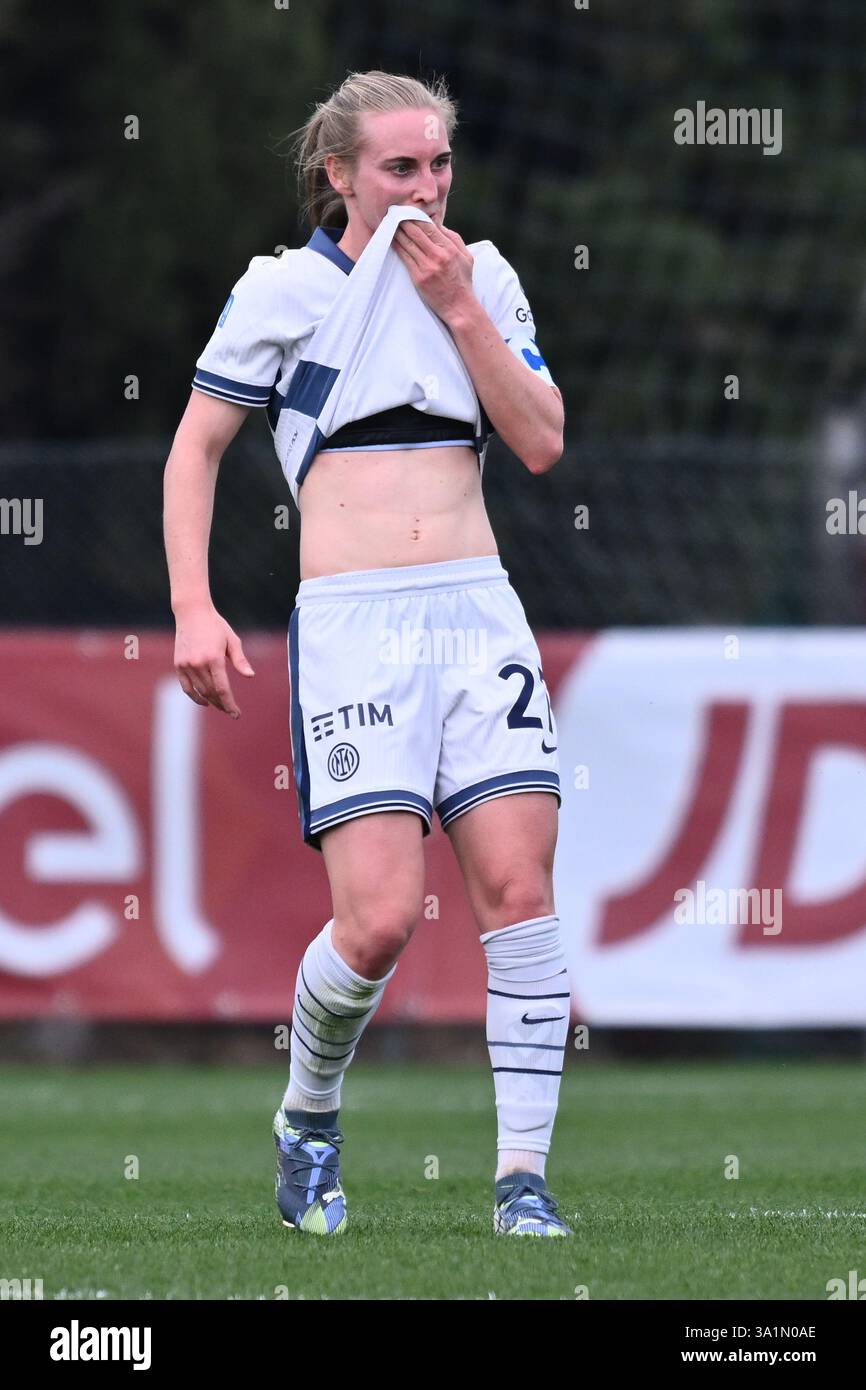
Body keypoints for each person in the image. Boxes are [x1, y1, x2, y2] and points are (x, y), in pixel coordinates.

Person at [163, 70, 572, 1238]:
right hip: (353, 625)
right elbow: (192, 452)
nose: (424, 191)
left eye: (438, 166)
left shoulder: (481, 276)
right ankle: (308, 1116)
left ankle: (521, 1182)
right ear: (338, 173)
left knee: (517, 889)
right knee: (380, 920)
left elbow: (540, 441)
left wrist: (459, 310)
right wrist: (193, 607)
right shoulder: (284, 291)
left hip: (475, 608)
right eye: (400, 169)